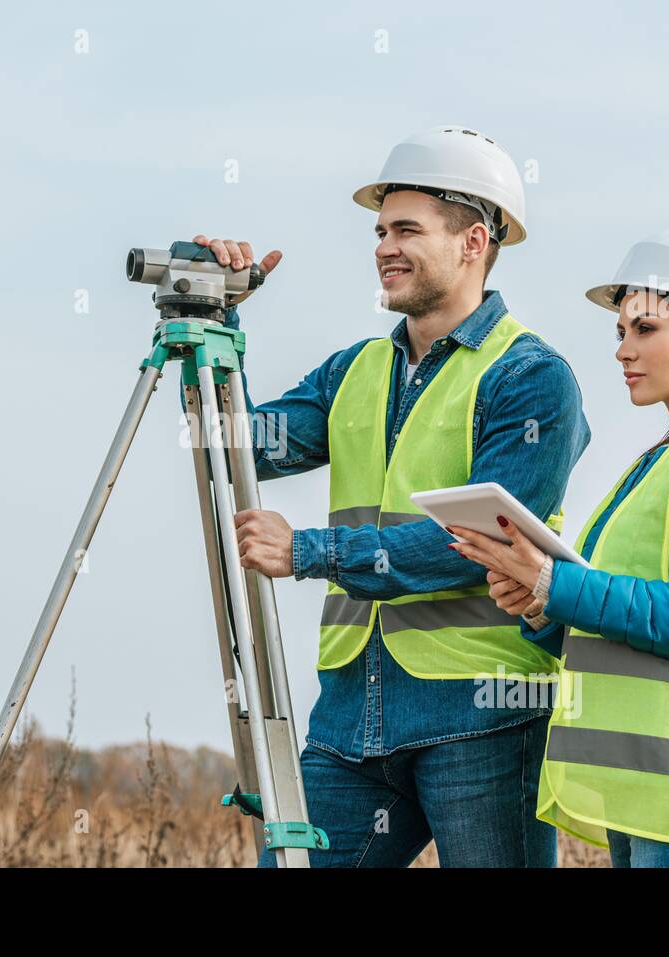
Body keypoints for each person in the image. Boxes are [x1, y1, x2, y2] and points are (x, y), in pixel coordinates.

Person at [190, 126, 590, 866]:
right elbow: (222, 447)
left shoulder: (530, 378)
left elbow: (482, 544)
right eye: (380, 230)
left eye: (407, 229)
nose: (383, 246)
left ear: (474, 241)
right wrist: (215, 324)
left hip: (482, 717)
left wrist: (310, 551)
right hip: (350, 719)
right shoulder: (354, 370)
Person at [446, 226, 669, 868]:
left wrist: (555, 583)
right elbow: (622, 625)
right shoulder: (659, 463)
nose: (622, 350)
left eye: (645, 329)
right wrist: (539, 607)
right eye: (621, 332)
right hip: (646, 790)